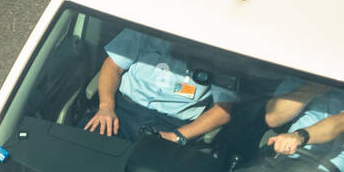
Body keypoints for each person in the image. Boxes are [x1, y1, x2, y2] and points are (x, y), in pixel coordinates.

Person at [84, 30, 235, 143]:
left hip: (170, 126)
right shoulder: (147, 29)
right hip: (122, 111)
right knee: (85, 145)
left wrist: (177, 136)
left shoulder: (220, 53)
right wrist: (106, 107)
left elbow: (223, 110)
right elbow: (113, 66)